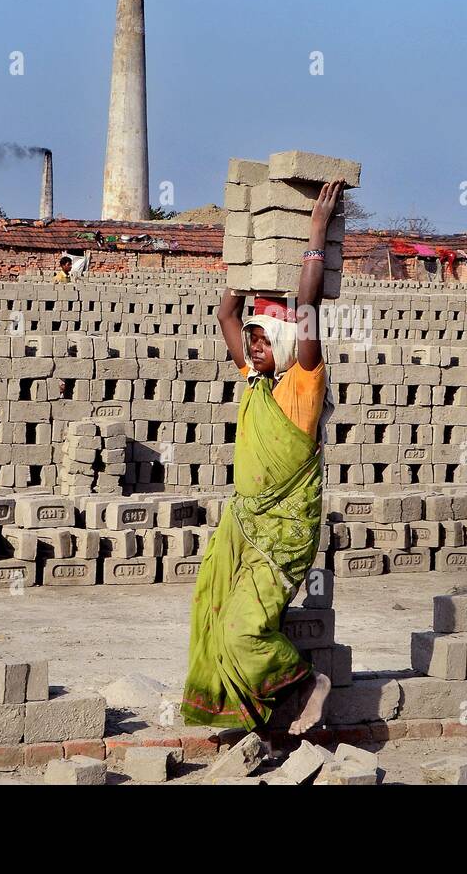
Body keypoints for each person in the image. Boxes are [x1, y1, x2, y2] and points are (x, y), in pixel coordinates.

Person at [181, 179, 344, 736]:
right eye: (250, 339)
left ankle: (301, 684)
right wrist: (243, 245)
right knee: (214, 615)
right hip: (245, 525)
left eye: (261, 338)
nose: (251, 346)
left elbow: (307, 307)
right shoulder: (256, 381)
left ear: (284, 338)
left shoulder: (303, 384)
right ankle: (259, 719)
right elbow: (226, 316)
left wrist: (316, 232)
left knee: (244, 631)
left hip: (284, 534)